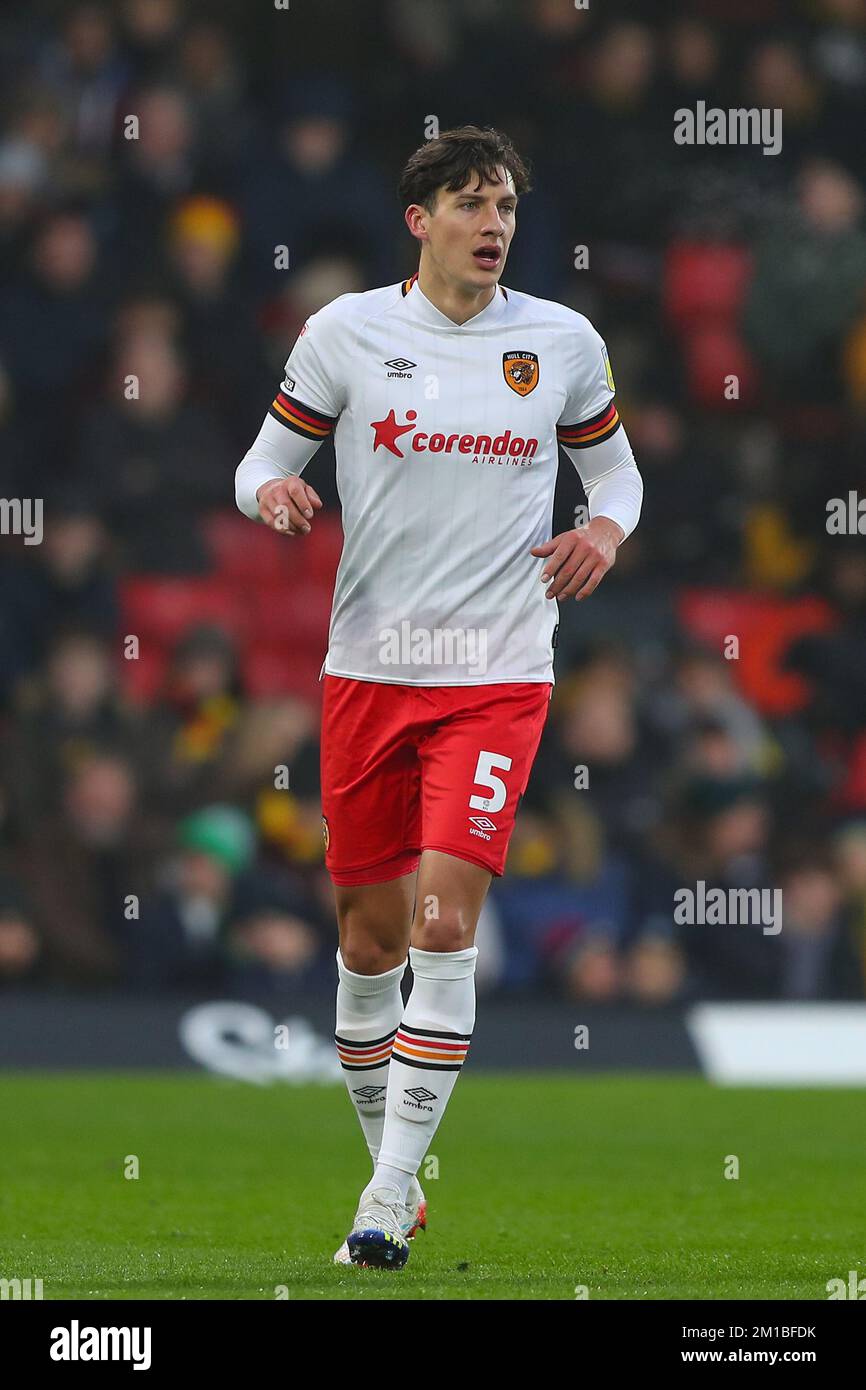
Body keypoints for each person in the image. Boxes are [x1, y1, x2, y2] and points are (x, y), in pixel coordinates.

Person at [235, 125, 643, 1270]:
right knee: (366, 946)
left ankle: (383, 1196)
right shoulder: (346, 333)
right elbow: (260, 459)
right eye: (470, 203)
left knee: (442, 925)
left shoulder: (558, 342)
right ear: (420, 222)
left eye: (504, 203)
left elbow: (613, 471)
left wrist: (601, 530)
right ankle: (390, 1171)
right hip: (368, 670)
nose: (493, 222)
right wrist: (271, 493)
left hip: (496, 675)